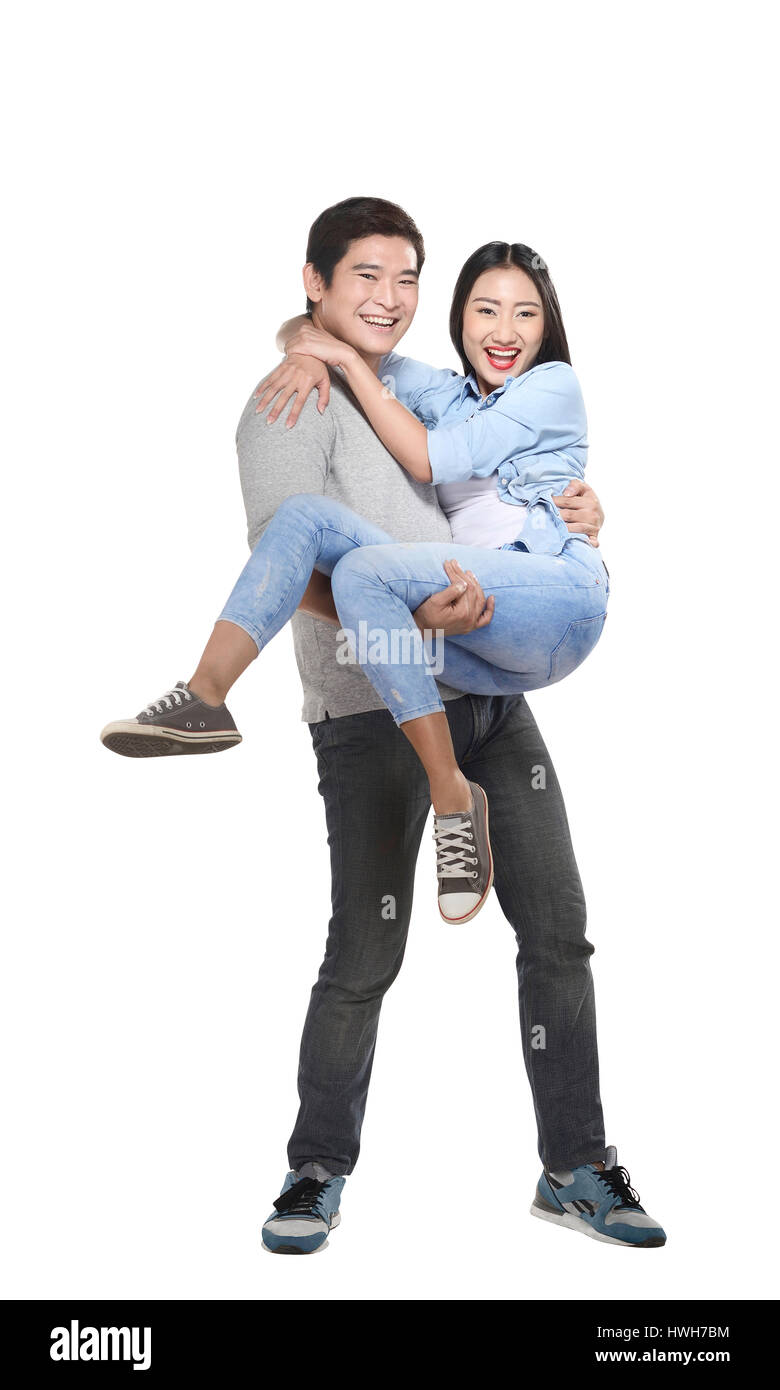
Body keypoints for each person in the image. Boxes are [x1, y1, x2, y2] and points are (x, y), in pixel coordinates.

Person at [103, 197, 666, 1252]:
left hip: (484, 692)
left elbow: (499, 484)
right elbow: (287, 568)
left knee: (559, 932)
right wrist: (302, 352)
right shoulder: (291, 398)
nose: (391, 297)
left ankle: (576, 1165)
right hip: (371, 710)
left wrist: (578, 512)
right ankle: (314, 1171)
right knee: (363, 956)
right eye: (365, 275)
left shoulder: (422, 389)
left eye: (407, 277)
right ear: (315, 280)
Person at [100, 243, 610, 931]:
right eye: (486, 310)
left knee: (365, 570)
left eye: (526, 314)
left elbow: (430, 458)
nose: (505, 331)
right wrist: (307, 350)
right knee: (303, 520)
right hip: (472, 638)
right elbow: (328, 334)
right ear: (460, 318)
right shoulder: (444, 394)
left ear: (547, 326)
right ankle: (206, 698)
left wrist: (338, 359)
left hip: (557, 599)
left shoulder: (554, 385)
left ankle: (452, 797)